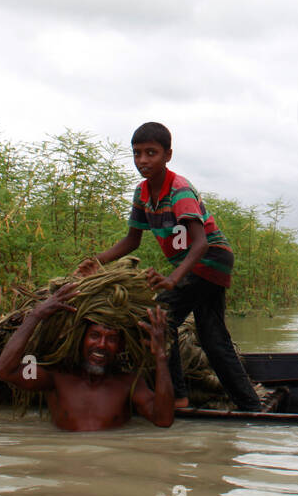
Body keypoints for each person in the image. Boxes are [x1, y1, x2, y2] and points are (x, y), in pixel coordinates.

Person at [74, 122, 263, 412]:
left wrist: (173, 279)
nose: (143, 161)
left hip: (211, 258)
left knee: (158, 319)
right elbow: (131, 240)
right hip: (200, 265)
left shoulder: (179, 190)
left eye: (151, 153)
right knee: (213, 339)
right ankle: (250, 405)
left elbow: (199, 244)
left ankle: (178, 398)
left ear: (168, 155)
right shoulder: (142, 194)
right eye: (137, 154)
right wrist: (97, 261)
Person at [0, 282, 176, 431]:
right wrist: (37, 315)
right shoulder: (56, 378)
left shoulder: (128, 383)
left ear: (120, 346)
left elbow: (163, 420)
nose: (102, 345)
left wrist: (160, 356)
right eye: (95, 336)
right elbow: (4, 370)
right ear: (81, 340)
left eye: (111, 339)